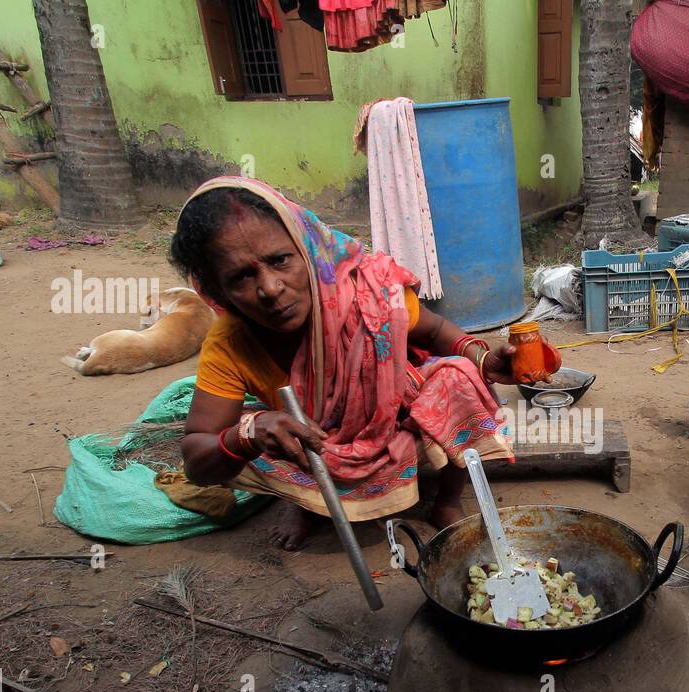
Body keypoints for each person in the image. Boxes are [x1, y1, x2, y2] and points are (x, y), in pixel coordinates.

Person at [169, 176, 536, 549]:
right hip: (313, 442)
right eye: (240, 277)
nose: (270, 288)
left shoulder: (370, 292)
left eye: (280, 260)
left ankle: (446, 500)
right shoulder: (230, 344)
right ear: (216, 291)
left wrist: (482, 357)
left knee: (459, 377)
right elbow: (198, 460)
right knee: (244, 437)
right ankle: (305, 502)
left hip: (393, 423)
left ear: (308, 249)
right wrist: (249, 433)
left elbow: (436, 328)